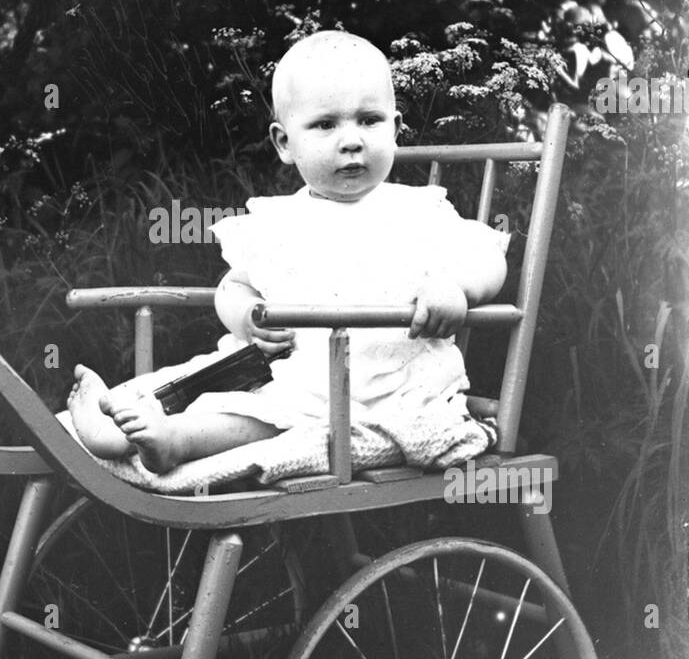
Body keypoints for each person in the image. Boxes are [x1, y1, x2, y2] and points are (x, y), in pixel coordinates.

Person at [68, 30, 508, 475]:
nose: (351, 140)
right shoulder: (277, 223)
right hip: (298, 378)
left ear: (396, 129)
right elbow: (233, 286)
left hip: (391, 392)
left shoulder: (419, 210)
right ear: (284, 143)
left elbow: (488, 257)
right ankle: (115, 426)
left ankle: (174, 442)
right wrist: (248, 316)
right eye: (325, 125)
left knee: (257, 421)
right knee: (211, 385)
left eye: (370, 120)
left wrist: (456, 288)